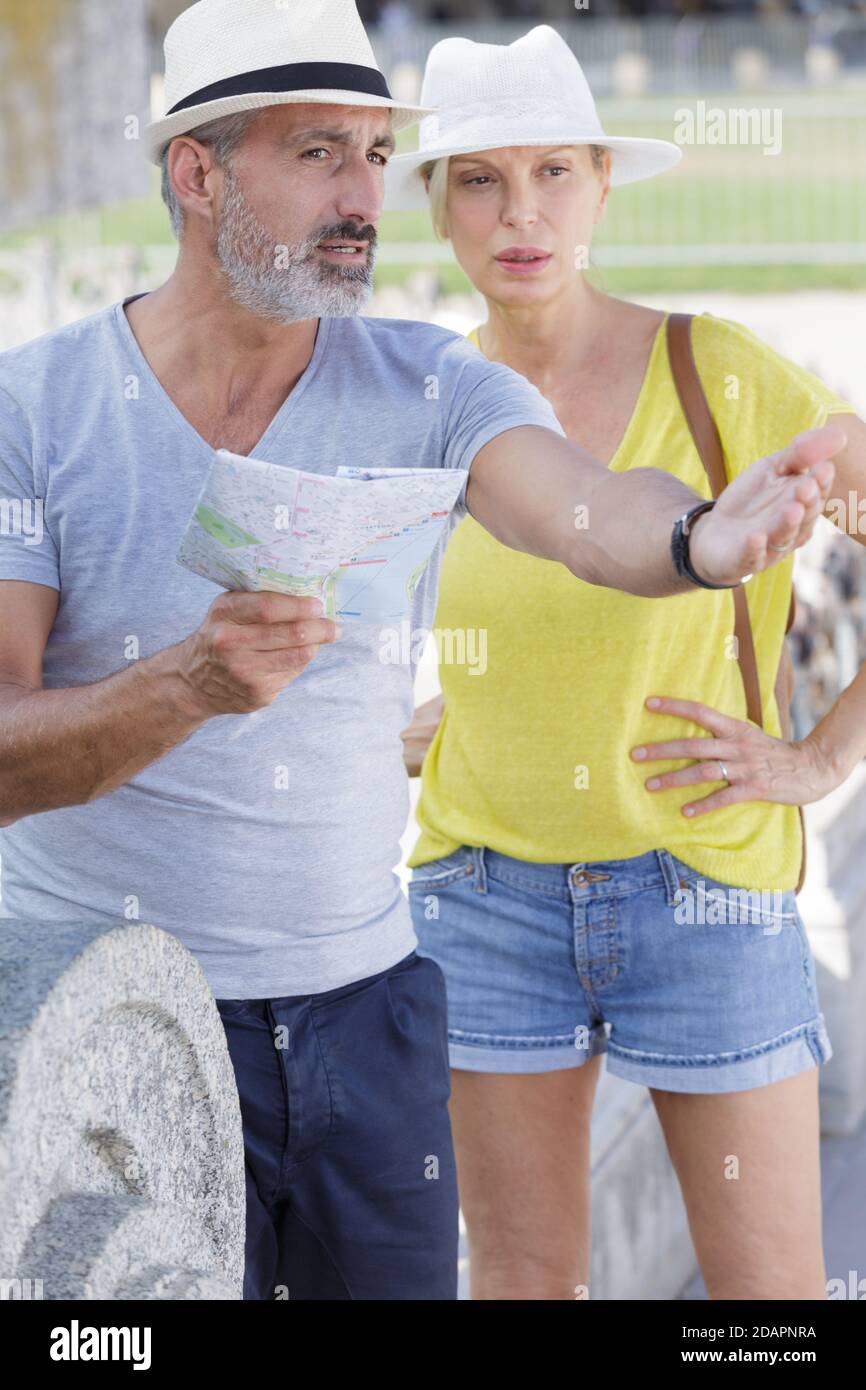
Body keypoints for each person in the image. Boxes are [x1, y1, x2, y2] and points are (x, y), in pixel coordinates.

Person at [0, 1, 840, 1301]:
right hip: (150, 998)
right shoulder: (34, 408)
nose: (362, 196)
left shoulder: (435, 391)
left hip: (426, 994)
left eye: (376, 157)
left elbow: (580, 510)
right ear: (196, 169)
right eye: (320, 154)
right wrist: (208, 690)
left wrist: (694, 545)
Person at [390, 25, 865, 1300]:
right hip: (482, 899)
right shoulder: (427, 394)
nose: (519, 212)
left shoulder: (717, 375)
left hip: (701, 888)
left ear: (603, 184)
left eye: (553, 172)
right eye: (479, 179)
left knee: (765, 1310)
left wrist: (820, 756)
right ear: (437, 206)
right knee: (521, 1287)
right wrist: (457, 700)